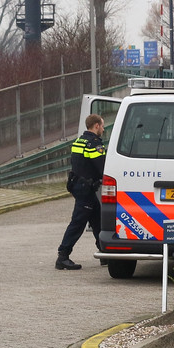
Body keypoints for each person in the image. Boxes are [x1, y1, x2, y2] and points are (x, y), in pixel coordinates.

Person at [56, 114, 107, 270]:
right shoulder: (94, 144)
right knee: (78, 222)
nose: (103, 129)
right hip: (86, 188)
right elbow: (102, 168)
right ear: (96, 126)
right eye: (103, 126)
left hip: (79, 185)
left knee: (97, 219)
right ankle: (62, 256)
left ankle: (105, 253)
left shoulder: (79, 141)